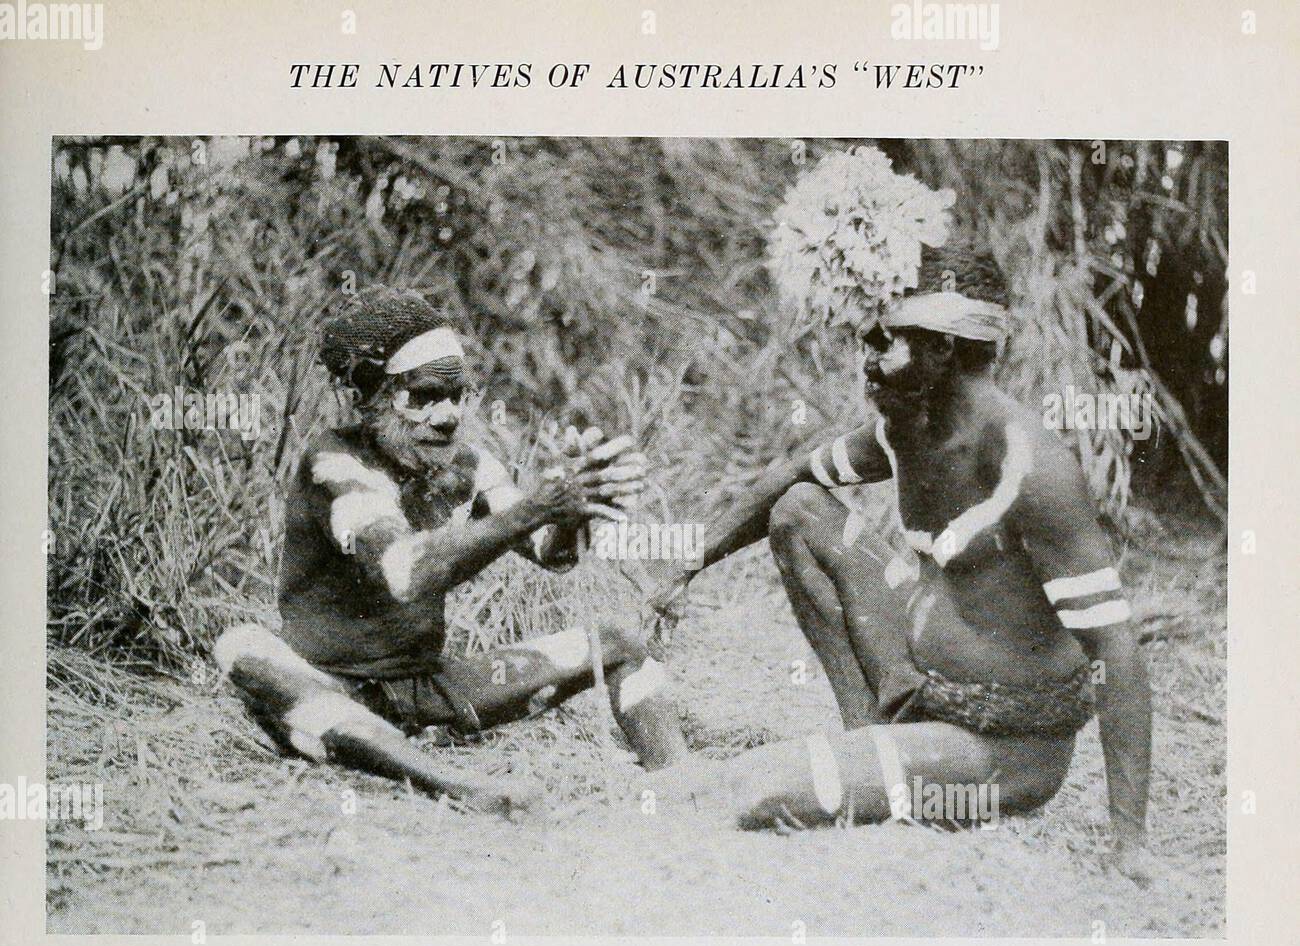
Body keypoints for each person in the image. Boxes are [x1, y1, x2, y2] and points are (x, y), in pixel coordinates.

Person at [649, 244, 1156, 883]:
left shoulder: (1031, 465)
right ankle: (871, 734)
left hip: (1001, 754)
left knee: (761, 793)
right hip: (922, 693)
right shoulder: (906, 431)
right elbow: (792, 478)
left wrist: (1129, 844)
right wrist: (685, 566)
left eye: (884, 343)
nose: (867, 364)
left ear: (943, 348)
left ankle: (879, 763)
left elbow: (1116, 646)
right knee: (802, 510)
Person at [216, 287, 688, 816]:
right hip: (330, 684)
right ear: (370, 396)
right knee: (242, 646)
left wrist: (579, 505)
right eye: (422, 396)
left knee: (619, 641)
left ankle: (682, 777)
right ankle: (463, 789)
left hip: (425, 690)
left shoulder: (469, 466)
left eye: (457, 395)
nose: (445, 416)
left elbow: (553, 555)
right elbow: (404, 573)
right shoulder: (337, 463)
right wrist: (537, 505)